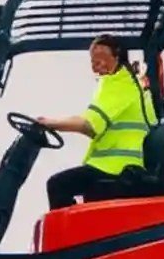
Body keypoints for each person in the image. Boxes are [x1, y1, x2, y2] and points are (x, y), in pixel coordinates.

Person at [37, 34, 157, 210]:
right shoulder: (132, 84)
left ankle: (73, 235)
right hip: (125, 168)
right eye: (93, 62)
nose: (96, 67)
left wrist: (50, 123)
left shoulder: (118, 84)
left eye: (101, 60)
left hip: (118, 169)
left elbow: (90, 125)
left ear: (116, 57)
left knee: (58, 185)